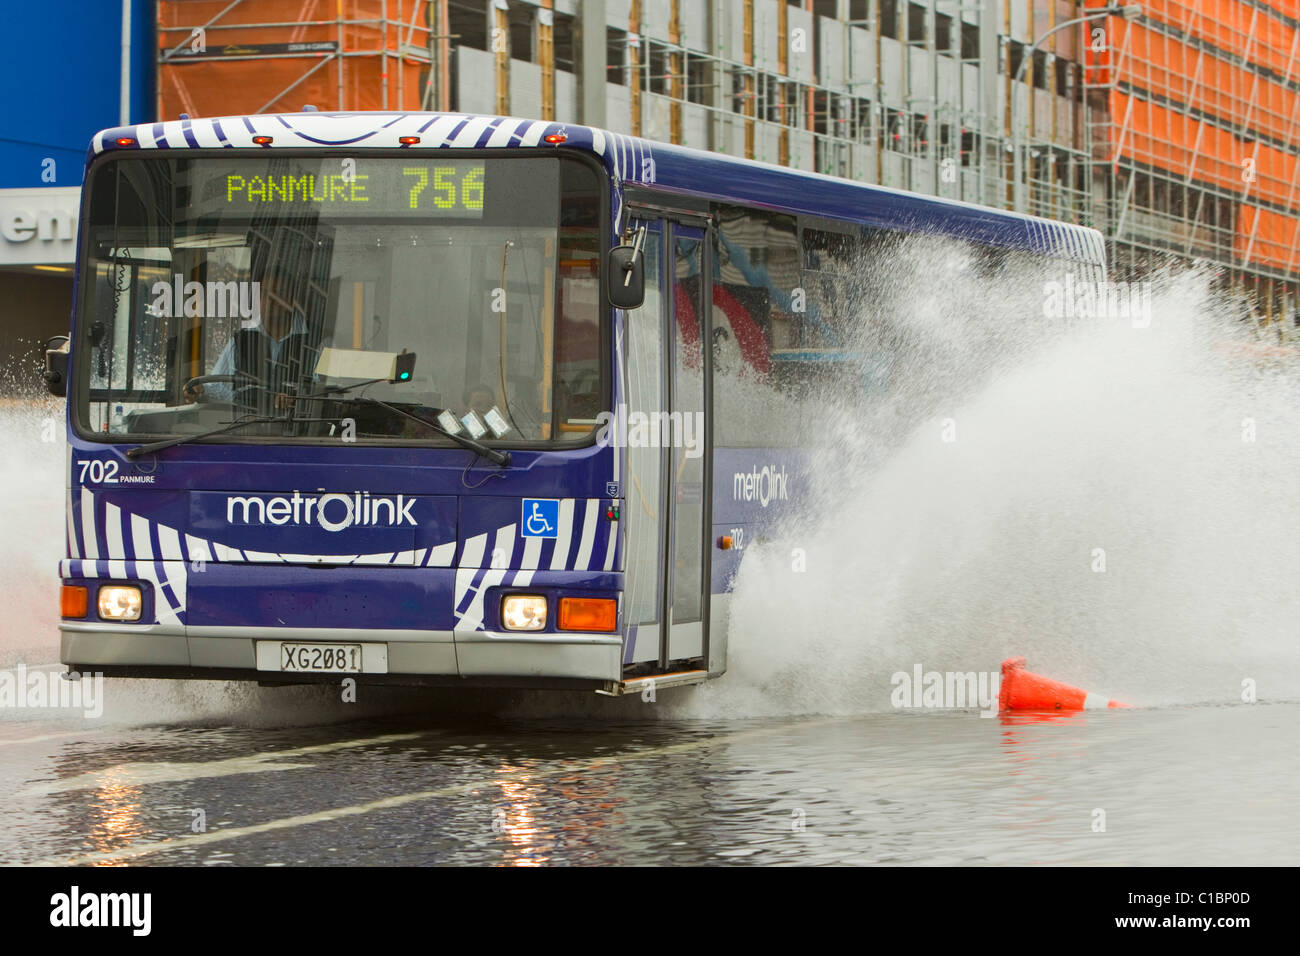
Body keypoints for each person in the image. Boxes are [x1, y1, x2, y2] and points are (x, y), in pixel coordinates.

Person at [186, 278, 308, 408]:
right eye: (265, 293)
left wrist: (294, 398)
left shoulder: (316, 344)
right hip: (245, 424)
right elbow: (219, 385)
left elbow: (323, 393)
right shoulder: (241, 340)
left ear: (291, 299)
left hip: (296, 426)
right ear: (258, 300)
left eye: (279, 293)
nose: (271, 300)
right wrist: (201, 389)